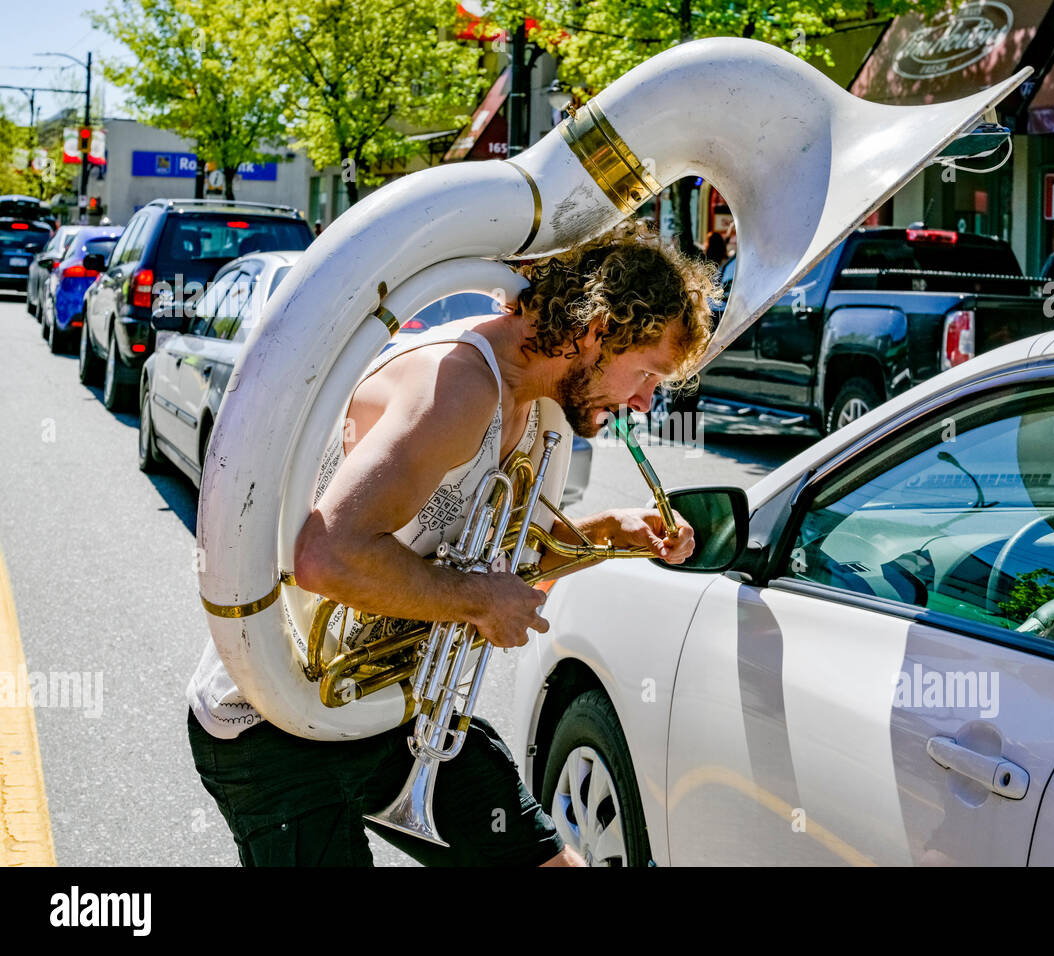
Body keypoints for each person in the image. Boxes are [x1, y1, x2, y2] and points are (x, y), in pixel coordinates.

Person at [187, 218, 718, 866]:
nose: (643, 402)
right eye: (648, 373)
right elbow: (327, 556)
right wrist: (473, 601)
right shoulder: (458, 386)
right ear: (598, 332)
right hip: (272, 719)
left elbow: (503, 569)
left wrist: (604, 536)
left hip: (387, 705)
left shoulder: (543, 411)